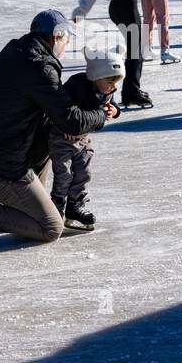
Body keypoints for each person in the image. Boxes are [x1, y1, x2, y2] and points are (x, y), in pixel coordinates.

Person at [0, 9, 118, 248]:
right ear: (56, 37)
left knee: (51, 125)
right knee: (50, 227)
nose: (67, 45)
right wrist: (101, 114)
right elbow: (72, 121)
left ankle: (33, 206)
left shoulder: (19, 52)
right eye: (66, 39)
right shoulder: (40, 66)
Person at [50, 41, 124, 229]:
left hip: (83, 139)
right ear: (95, 76)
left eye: (116, 83)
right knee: (64, 175)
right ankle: (56, 207)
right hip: (62, 138)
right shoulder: (76, 85)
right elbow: (61, 109)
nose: (112, 87)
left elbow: (113, 105)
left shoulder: (107, 89)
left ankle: (75, 204)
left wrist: (114, 110)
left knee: (85, 171)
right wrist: (67, 127)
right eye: (109, 82)